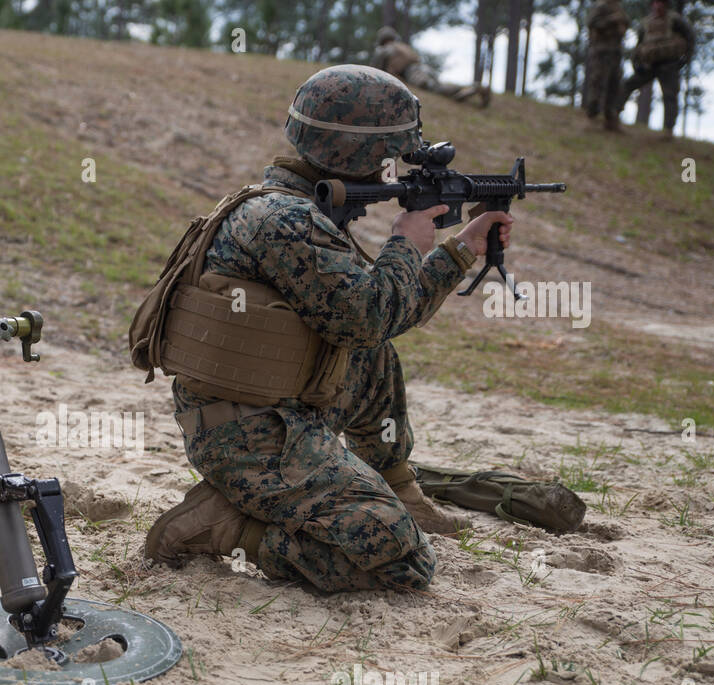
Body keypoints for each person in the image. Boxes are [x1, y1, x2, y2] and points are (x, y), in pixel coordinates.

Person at [141, 65, 514, 593]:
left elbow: (379, 316)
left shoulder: (298, 211)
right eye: (391, 157)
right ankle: (225, 527)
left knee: (372, 352)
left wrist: (459, 249)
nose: (396, 170)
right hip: (251, 436)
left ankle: (393, 482)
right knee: (399, 561)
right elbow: (366, 318)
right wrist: (406, 242)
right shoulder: (285, 222)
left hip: (275, 410)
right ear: (358, 156)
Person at [618, 0, 696, 138]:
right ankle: (613, 115)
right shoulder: (646, 23)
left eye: (660, 3)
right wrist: (636, 64)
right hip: (649, 65)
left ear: (666, 5)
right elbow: (639, 45)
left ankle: (668, 130)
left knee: (670, 96)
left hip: (669, 65)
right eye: (655, 3)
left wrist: (685, 60)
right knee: (627, 85)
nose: (657, 6)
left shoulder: (675, 20)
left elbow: (690, 37)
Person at [371, 26, 490, 108]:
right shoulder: (402, 46)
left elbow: (374, 69)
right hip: (423, 68)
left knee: (434, 88)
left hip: (412, 71)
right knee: (438, 84)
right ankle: (464, 91)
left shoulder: (384, 49)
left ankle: (471, 88)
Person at [584, 0, 630, 131]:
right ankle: (592, 116)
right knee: (597, 82)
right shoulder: (601, 6)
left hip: (615, 52)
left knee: (614, 85)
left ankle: (610, 120)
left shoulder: (618, 7)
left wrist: (622, 21)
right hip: (601, 51)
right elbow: (591, 23)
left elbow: (625, 24)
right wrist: (612, 20)